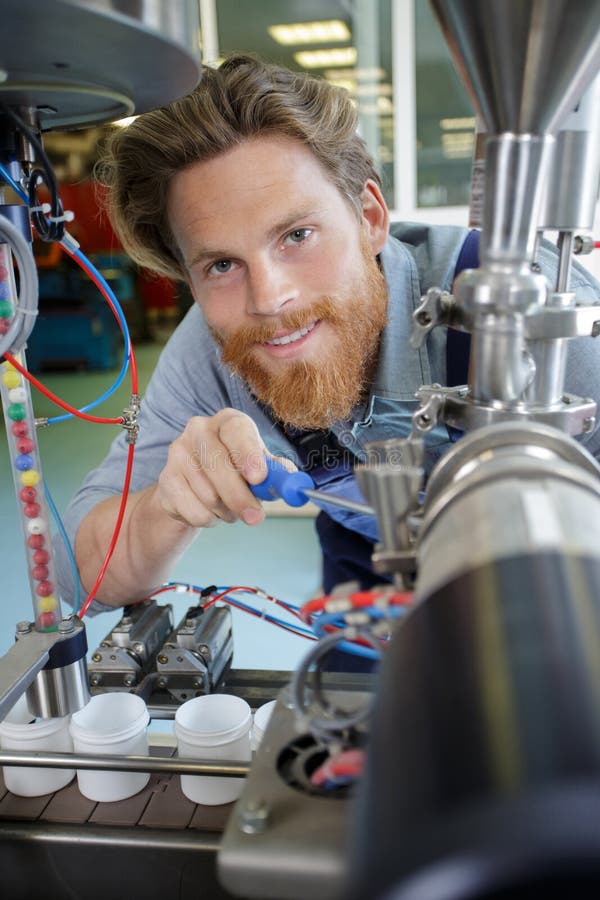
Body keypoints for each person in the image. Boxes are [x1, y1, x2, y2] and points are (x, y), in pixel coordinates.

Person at [56, 54, 600, 617]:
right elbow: (76, 576)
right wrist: (165, 507)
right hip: (370, 578)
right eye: (221, 264)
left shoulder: (540, 324)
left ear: (370, 218)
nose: (268, 299)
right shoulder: (214, 348)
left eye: (297, 235)